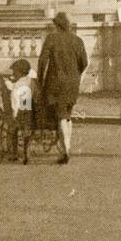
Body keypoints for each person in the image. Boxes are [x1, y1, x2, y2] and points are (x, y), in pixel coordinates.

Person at [37, 12, 88, 165]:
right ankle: (67, 146)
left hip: (55, 83)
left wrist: (40, 80)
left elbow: (42, 62)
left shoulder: (51, 38)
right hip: (72, 84)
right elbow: (84, 63)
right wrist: (75, 76)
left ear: (57, 25)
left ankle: (65, 150)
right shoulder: (78, 40)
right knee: (67, 115)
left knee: (60, 116)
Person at [0, 58, 37, 164]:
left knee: (13, 129)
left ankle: (15, 153)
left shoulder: (17, 85)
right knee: (26, 132)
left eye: (15, 71)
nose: (14, 73)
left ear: (20, 72)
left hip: (21, 111)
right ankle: (26, 153)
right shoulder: (32, 82)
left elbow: (14, 101)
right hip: (31, 111)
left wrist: (14, 114)